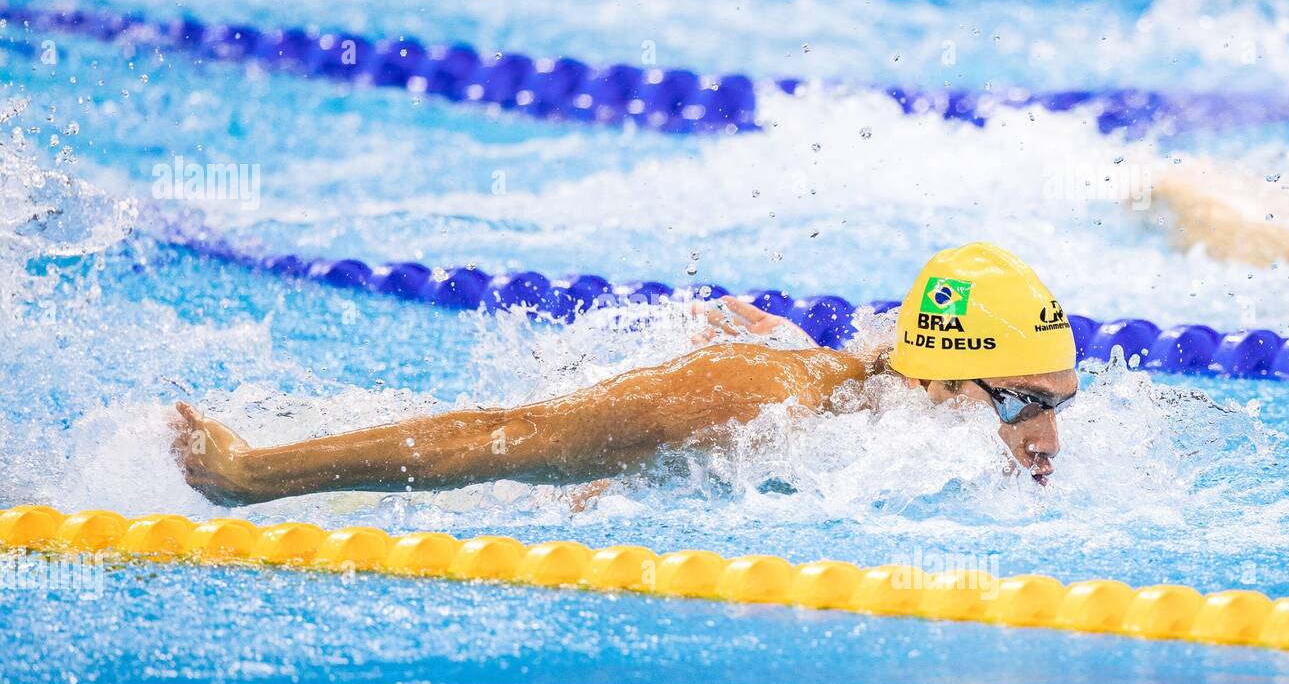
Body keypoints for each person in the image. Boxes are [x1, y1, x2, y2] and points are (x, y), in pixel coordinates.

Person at [173, 242, 1079, 506]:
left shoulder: (876, 421)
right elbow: (500, 437)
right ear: (936, 385)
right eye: (1020, 405)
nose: (1046, 439)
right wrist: (254, 474)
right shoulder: (753, 403)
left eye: (1056, 405)